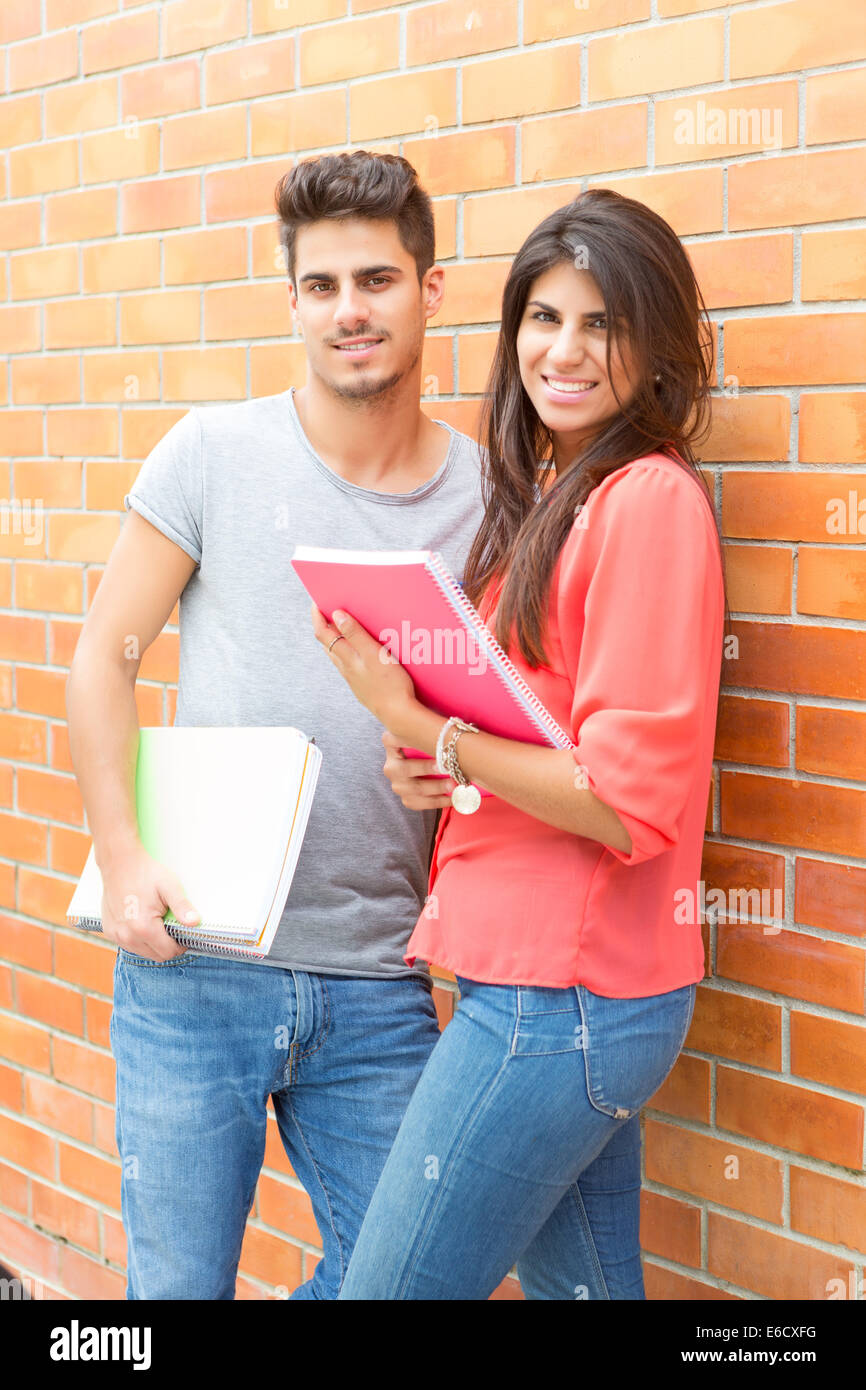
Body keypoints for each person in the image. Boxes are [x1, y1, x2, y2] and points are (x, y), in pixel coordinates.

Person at [64, 150, 486, 1300]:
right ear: (293, 296)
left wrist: (455, 781)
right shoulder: (212, 454)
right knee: (172, 1296)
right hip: (194, 963)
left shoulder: (489, 499)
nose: (348, 311)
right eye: (320, 286)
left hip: (377, 980)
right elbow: (102, 659)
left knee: (411, 1280)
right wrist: (121, 854)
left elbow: (502, 725)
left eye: (376, 281)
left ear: (430, 289)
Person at [312, 187, 727, 1300]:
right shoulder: (559, 497)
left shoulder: (644, 502)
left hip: (564, 1000)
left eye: (601, 322)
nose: (565, 349)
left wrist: (426, 728)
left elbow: (624, 797)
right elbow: (537, 746)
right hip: (546, 990)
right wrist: (442, 765)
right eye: (543, 317)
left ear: (658, 343)